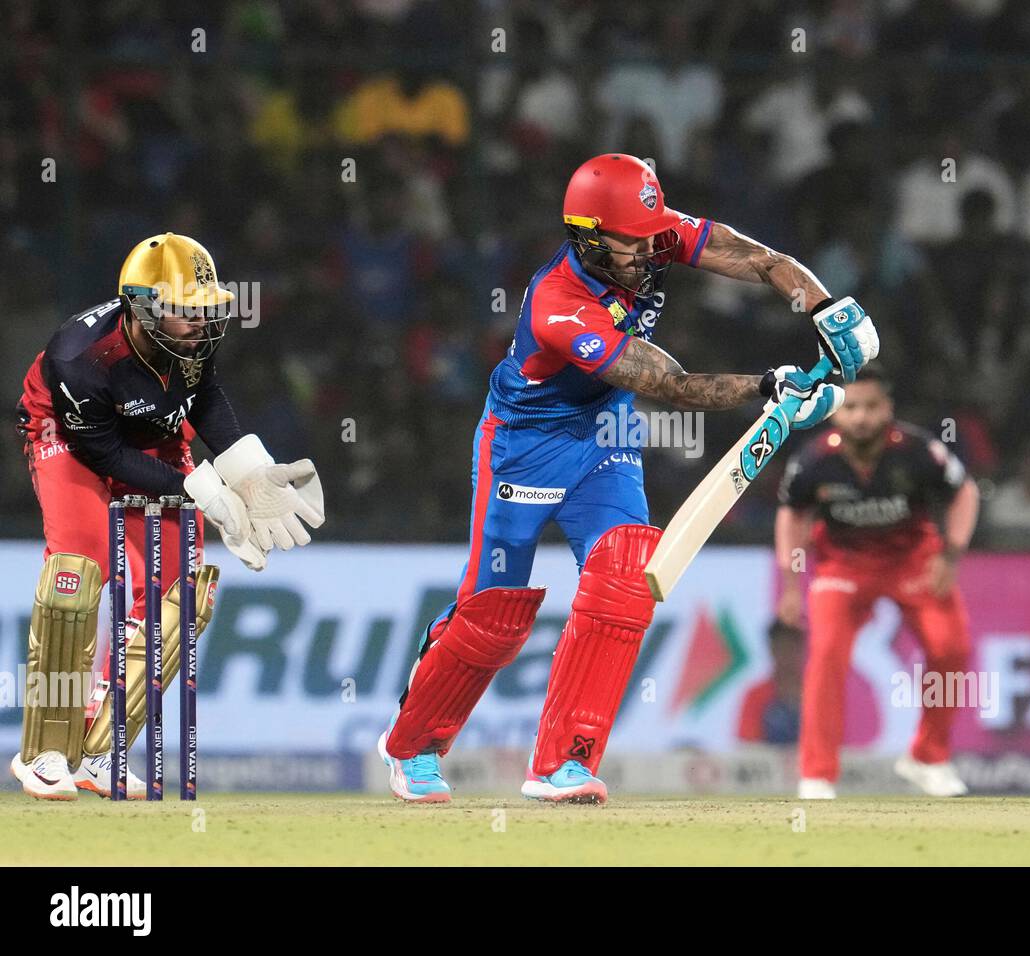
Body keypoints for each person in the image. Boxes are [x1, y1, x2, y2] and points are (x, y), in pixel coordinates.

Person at [380, 153, 878, 804]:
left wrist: (825, 306)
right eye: (629, 239)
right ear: (587, 235)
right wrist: (769, 387)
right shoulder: (560, 306)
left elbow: (760, 260)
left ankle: (563, 763)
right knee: (490, 618)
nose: (648, 247)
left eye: (652, 232)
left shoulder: (645, 230)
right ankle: (413, 748)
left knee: (624, 581)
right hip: (523, 448)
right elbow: (669, 384)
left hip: (603, 437)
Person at [11, 233, 323, 800]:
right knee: (78, 573)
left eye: (205, 308)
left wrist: (249, 470)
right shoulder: (76, 359)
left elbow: (203, 398)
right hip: (70, 434)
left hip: (154, 433)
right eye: (186, 310)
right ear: (142, 308)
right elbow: (104, 457)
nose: (201, 321)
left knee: (181, 597)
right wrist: (203, 490)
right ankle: (48, 750)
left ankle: (101, 751)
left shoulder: (189, 340)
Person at [775, 371, 977, 799]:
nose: (861, 418)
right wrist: (791, 584)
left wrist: (951, 555)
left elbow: (965, 493)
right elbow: (792, 516)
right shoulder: (813, 460)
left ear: (888, 409)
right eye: (850, 408)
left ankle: (928, 757)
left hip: (914, 561)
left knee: (951, 648)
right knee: (826, 655)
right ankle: (817, 775)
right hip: (843, 568)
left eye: (871, 407)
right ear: (835, 414)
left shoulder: (920, 451)